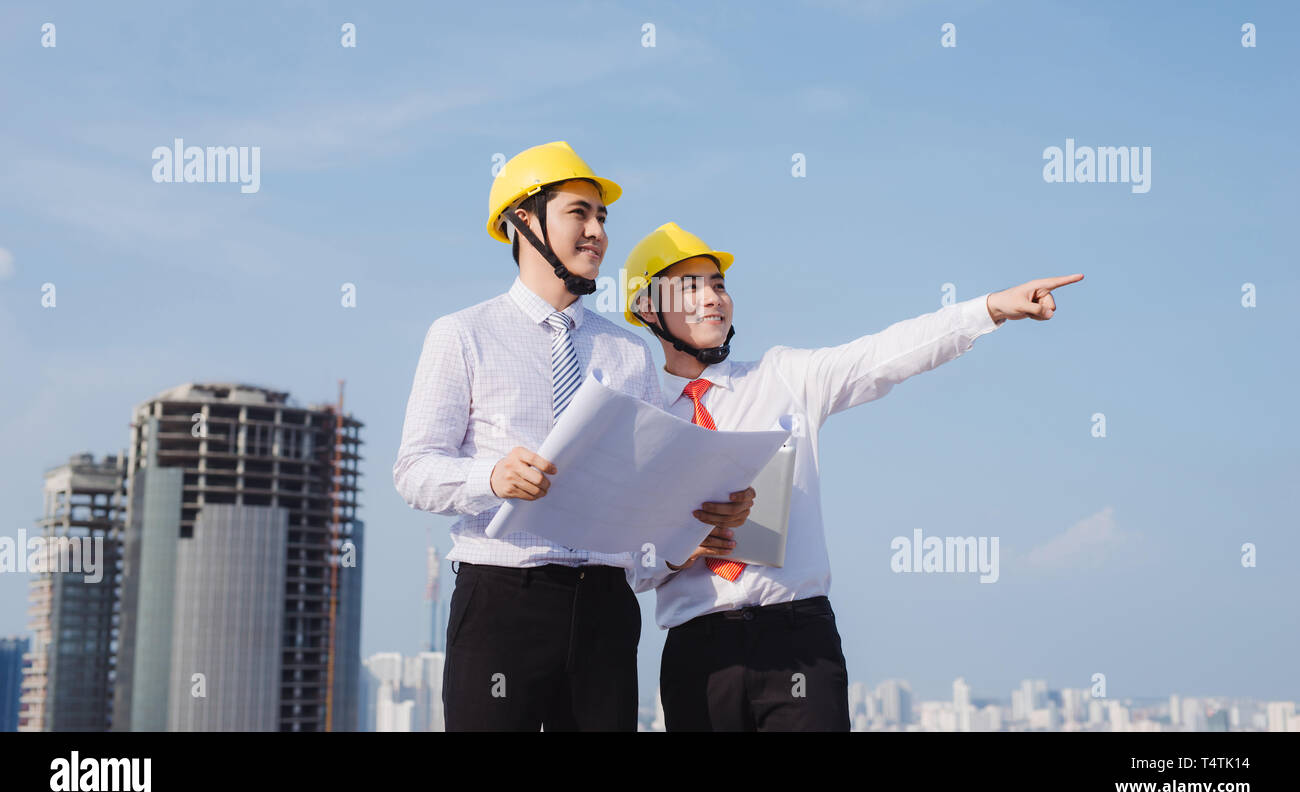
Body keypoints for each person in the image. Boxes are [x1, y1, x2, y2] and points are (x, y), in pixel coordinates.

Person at [622, 221, 1083, 731]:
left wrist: (991, 308)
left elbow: (886, 354)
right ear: (647, 309)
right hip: (700, 657)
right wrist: (688, 544)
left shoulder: (784, 377)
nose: (713, 298)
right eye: (689, 287)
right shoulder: (639, 421)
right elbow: (628, 568)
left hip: (799, 641)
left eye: (719, 284)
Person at [392, 144, 753, 731]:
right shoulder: (462, 334)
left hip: (605, 607)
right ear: (522, 221)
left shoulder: (628, 349)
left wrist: (689, 529)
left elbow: (643, 487)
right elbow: (414, 470)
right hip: (503, 597)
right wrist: (490, 476)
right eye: (578, 213)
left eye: (602, 218)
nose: (596, 232)